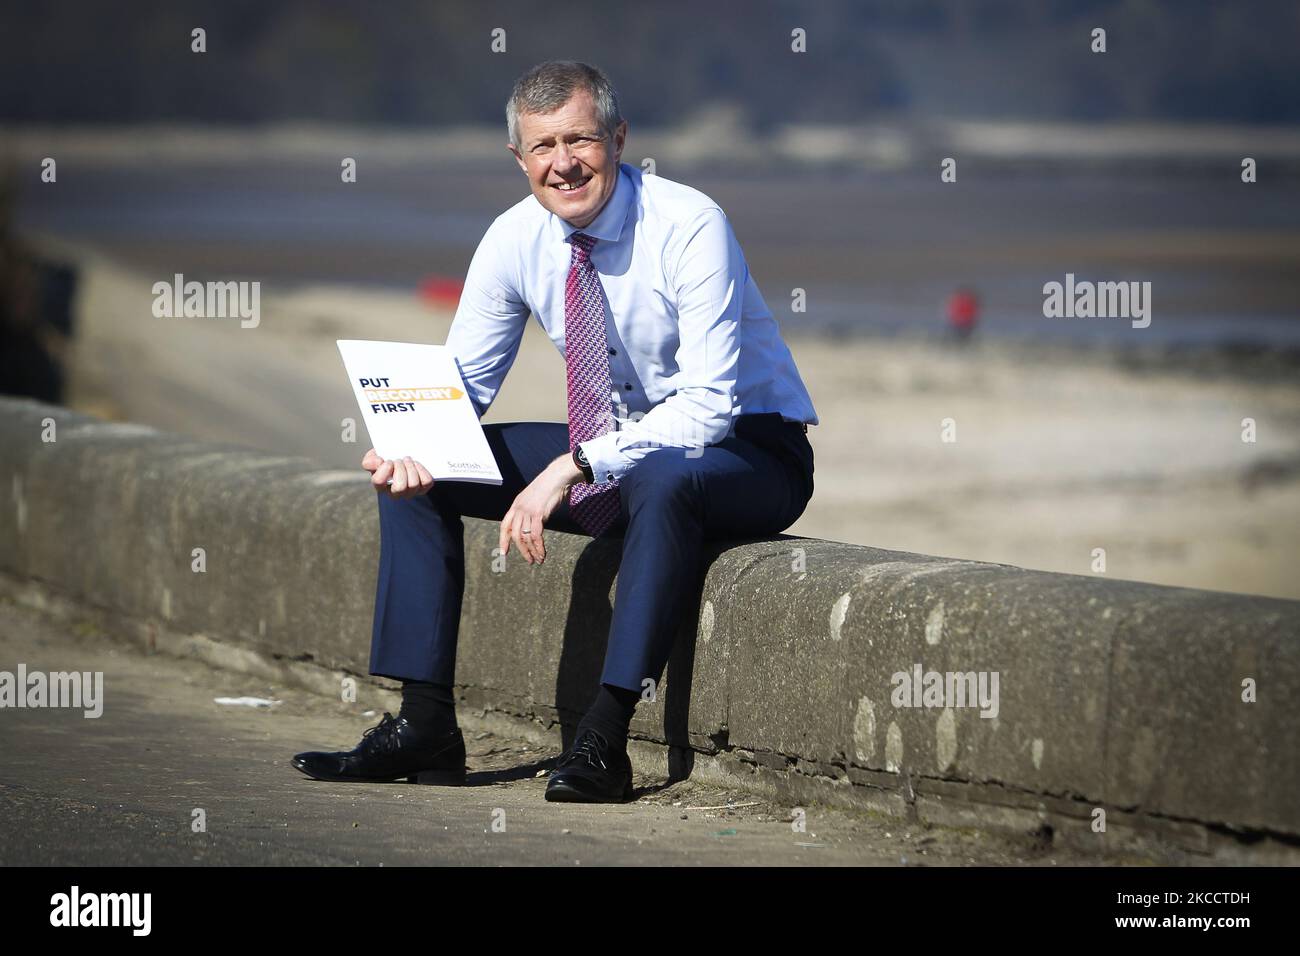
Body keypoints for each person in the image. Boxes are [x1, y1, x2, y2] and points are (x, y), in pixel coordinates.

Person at [292, 60, 818, 803]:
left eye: (580, 141)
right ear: (519, 158)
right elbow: (463, 382)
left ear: (619, 138)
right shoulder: (514, 238)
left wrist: (572, 465)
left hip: (749, 450)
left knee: (665, 476)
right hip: (615, 441)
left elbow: (705, 406)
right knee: (420, 471)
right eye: (543, 147)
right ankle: (425, 725)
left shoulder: (690, 223)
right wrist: (408, 439)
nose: (563, 164)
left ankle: (604, 739)